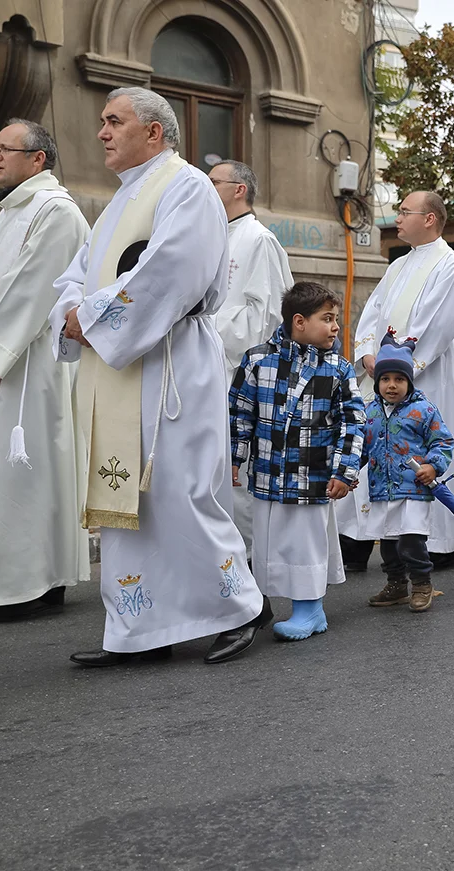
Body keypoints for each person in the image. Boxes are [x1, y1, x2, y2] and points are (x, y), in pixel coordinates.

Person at [49, 87, 266, 666]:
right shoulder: (121, 201)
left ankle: (237, 609)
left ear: (153, 132)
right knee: (127, 506)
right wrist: (71, 314)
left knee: (181, 493)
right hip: (121, 371)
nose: (101, 132)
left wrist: (91, 318)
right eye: (101, 121)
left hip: (171, 368)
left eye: (113, 121)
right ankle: (140, 628)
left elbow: (172, 270)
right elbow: (76, 274)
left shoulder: (187, 186)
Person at [0, 119, 91, 621]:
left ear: (38, 159)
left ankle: (29, 583)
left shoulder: (57, 213)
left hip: (31, 370)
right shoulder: (9, 214)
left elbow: (31, 290)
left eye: (7, 149)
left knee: (23, 475)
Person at [338, 191, 454, 572]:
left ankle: (436, 547)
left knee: (418, 453)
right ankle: (360, 541)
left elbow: (438, 325)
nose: (396, 218)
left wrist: (396, 366)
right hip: (384, 377)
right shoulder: (398, 265)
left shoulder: (450, 266)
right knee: (373, 449)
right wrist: (368, 352)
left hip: (424, 382)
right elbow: (373, 311)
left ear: (429, 219)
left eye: (404, 211)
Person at [230, 282, 364, 640]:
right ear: (299, 321)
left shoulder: (338, 368)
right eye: (328, 319)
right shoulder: (258, 360)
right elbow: (240, 412)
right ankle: (263, 604)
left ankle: (310, 610)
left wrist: (344, 471)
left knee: (304, 541)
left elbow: (353, 422)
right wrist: (234, 456)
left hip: (313, 475)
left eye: (336, 319)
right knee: (270, 538)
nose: (336, 327)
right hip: (268, 474)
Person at [208, 158, 293, 556]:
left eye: (214, 182)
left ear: (238, 189)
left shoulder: (259, 240)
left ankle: (254, 569)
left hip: (240, 375)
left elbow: (266, 317)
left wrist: (203, 326)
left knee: (240, 476)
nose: (206, 188)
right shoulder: (214, 235)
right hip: (211, 370)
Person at [363, 333, 454, 613]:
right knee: (388, 542)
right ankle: (396, 584)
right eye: (385, 379)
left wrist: (432, 466)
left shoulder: (423, 410)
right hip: (382, 489)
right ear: (377, 382)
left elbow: (443, 441)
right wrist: (346, 474)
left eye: (399, 379)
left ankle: (421, 582)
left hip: (413, 489)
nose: (392, 385)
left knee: (412, 540)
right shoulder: (369, 413)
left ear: (409, 381)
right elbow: (360, 448)